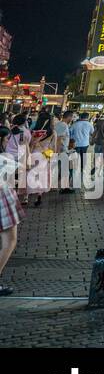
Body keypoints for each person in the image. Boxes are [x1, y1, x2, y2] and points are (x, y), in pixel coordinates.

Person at [0, 127, 22, 296]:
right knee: (10, 240)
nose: (8, 142)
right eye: (7, 139)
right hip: (3, 198)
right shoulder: (5, 157)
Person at [70, 112, 93, 190]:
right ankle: (82, 169)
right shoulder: (89, 124)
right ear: (87, 117)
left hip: (76, 144)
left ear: (80, 117)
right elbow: (92, 133)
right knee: (83, 156)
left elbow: (70, 132)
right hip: (85, 143)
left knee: (76, 157)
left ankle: (75, 169)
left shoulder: (75, 124)